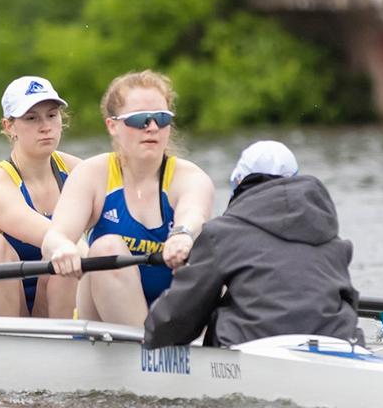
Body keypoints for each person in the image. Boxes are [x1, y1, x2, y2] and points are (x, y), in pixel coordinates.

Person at [143, 141, 362, 348]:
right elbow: (350, 303)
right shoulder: (330, 237)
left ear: (238, 183)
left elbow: (178, 320)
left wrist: (151, 334)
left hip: (253, 349)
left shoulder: (221, 234)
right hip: (339, 345)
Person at [41, 70, 215, 326]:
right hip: (103, 315)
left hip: (172, 312)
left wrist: (182, 235)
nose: (152, 127)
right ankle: (147, 350)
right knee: (106, 248)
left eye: (161, 118)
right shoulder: (92, 174)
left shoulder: (189, 176)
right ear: (113, 126)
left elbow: (193, 213)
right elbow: (54, 237)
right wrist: (64, 248)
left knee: (212, 257)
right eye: (140, 120)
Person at [0, 76, 81, 317]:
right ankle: (11, 349)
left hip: (53, 304)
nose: (45, 126)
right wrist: (82, 248)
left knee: (65, 256)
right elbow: (52, 236)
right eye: (31, 118)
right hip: (1, 310)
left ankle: (65, 345)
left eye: (52, 115)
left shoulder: (78, 171)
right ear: (9, 126)